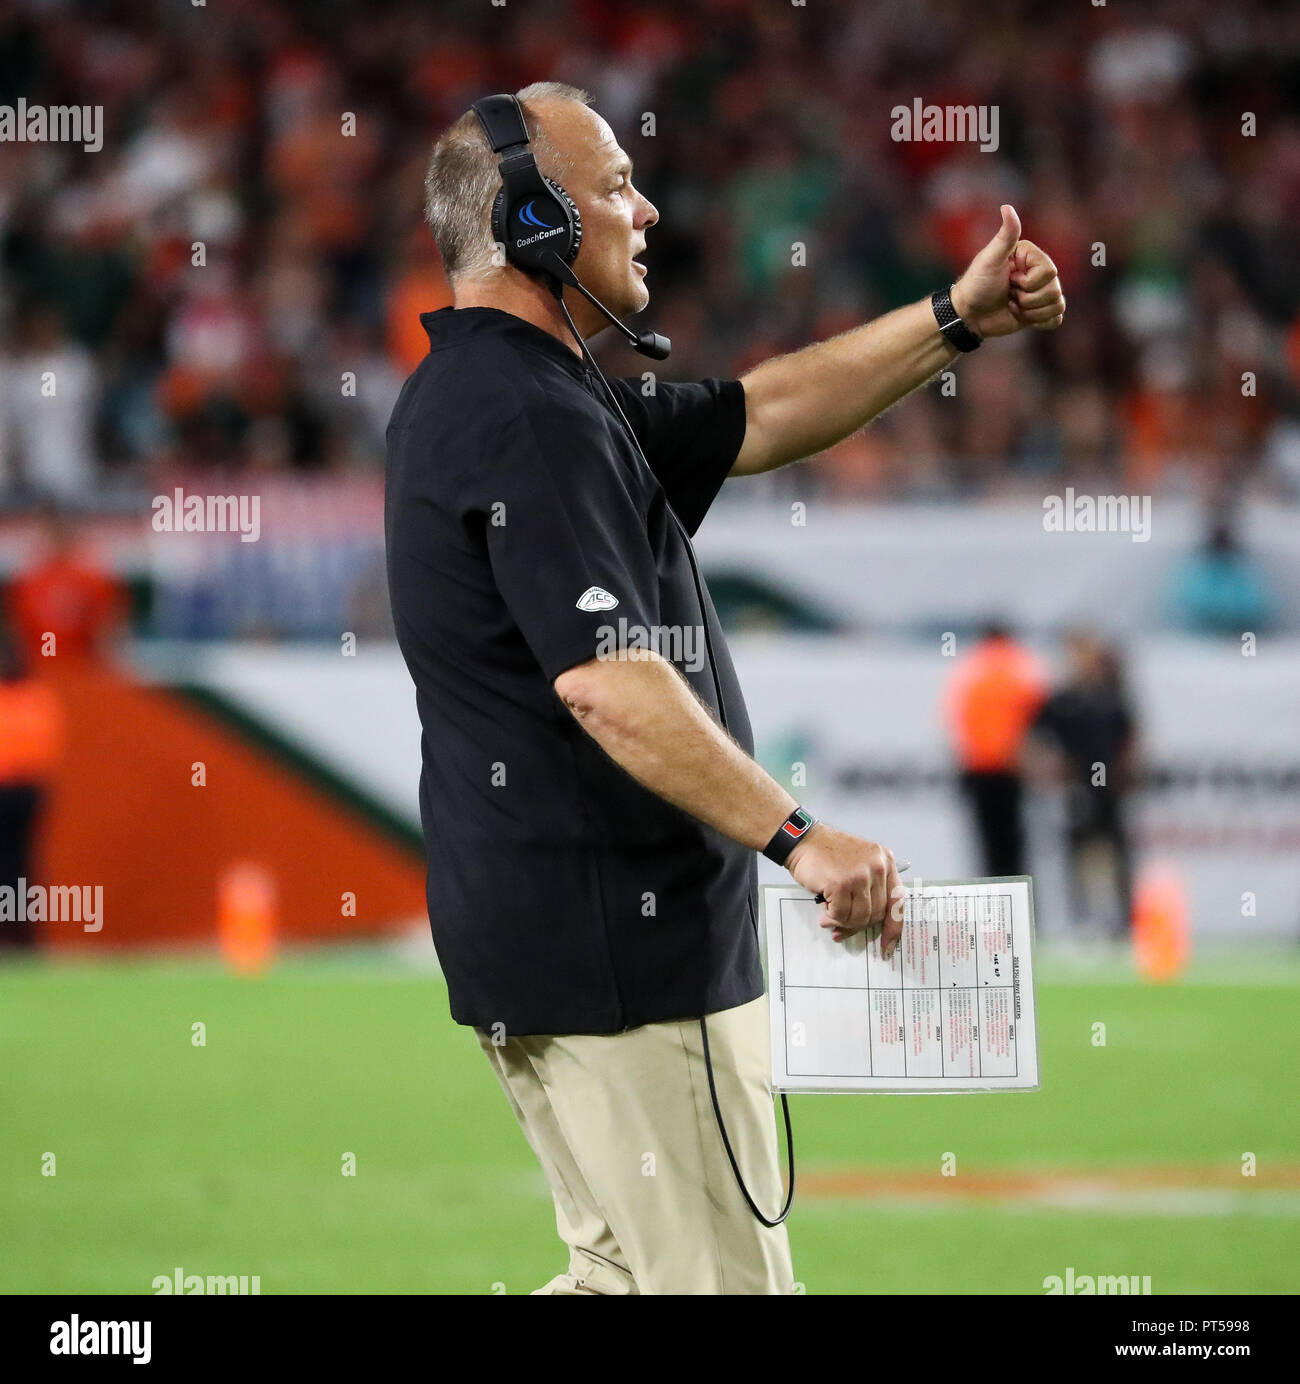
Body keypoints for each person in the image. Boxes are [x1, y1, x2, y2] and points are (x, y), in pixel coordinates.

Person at [385, 81, 1065, 1295]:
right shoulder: (532, 415)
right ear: (536, 223)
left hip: (546, 948)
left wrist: (954, 322)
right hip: (624, 953)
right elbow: (607, 686)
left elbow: (767, 409)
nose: (645, 210)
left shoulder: (508, 393)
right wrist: (797, 837)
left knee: (616, 1278)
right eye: (613, 189)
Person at [1027, 632, 1139, 940]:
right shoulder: (1062, 700)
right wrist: (1046, 770)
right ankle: (1082, 921)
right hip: (1077, 787)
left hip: (1110, 788)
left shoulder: (1111, 695)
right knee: (1077, 853)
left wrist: (1129, 772)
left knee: (1116, 852)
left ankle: (1124, 923)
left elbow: (1131, 738)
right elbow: (1034, 736)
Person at [943, 622, 1049, 877]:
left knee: (988, 844)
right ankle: (1019, 902)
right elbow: (1040, 718)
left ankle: (993, 899)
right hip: (1013, 769)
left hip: (978, 769)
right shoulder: (1021, 668)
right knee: (1015, 844)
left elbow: (956, 720)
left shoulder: (970, 670)